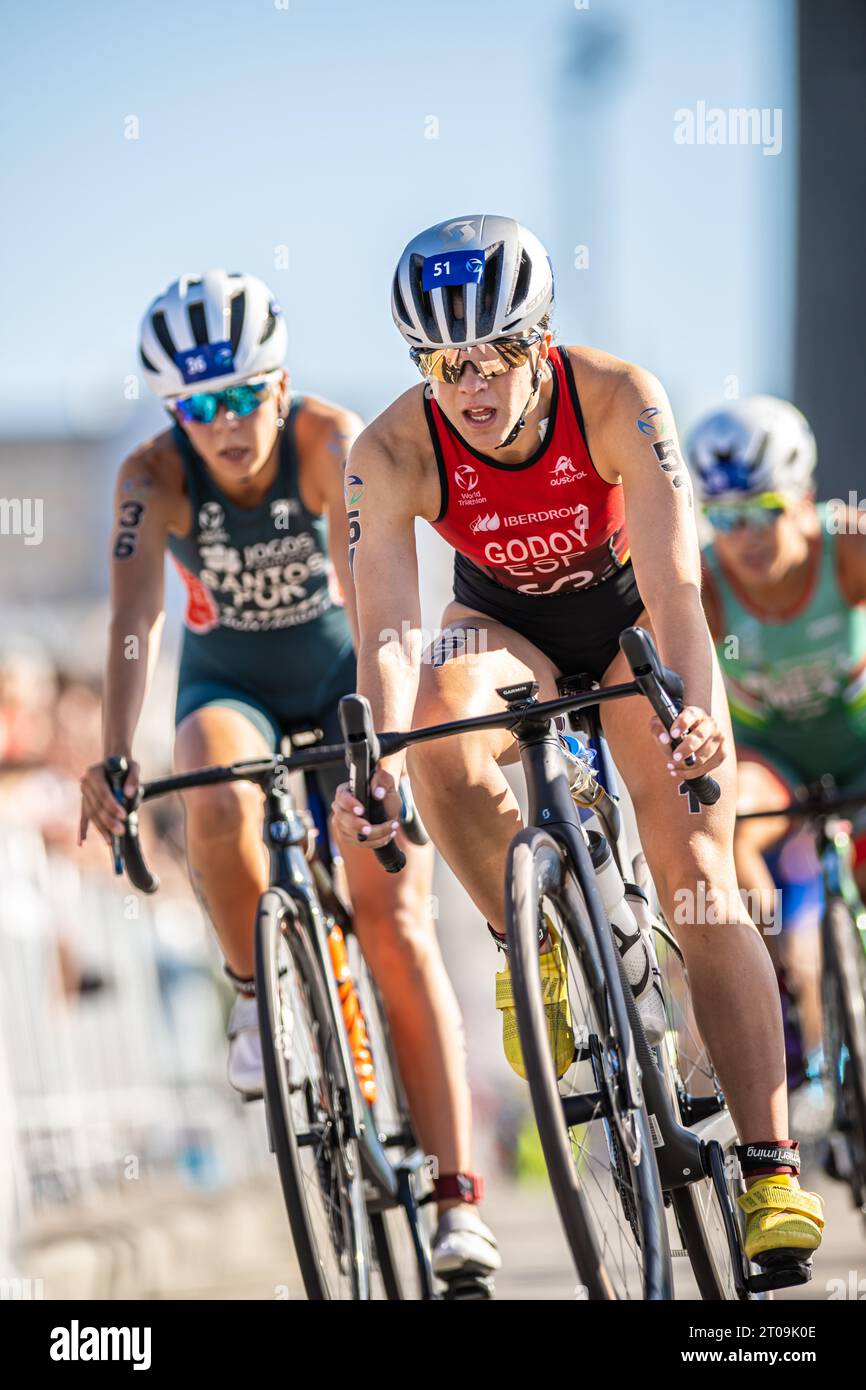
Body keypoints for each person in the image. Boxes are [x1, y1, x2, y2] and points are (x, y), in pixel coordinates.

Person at [332, 215, 825, 1271]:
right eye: (442, 362)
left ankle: (769, 1166)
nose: (470, 384)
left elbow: (677, 587)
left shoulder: (615, 397)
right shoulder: (390, 450)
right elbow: (384, 630)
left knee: (695, 869)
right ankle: (534, 939)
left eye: (495, 353)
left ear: (539, 338)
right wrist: (369, 754)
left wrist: (692, 709)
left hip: (627, 619)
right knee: (433, 721)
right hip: (497, 623)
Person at [78, 270, 499, 1280]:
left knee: (393, 924)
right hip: (232, 686)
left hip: (341, 672)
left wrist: (377, 745)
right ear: (174, 412)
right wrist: (112, 748)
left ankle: (454, 1195)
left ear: (281, 380)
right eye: (197, 406)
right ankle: (251, 989)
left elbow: (370, 604)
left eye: (241, 395)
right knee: (214, 780)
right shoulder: (149, 476)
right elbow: (134, 624)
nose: (224, 424)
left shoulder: (326, 440)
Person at [688, 395, 866, 1068]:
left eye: (762, 510)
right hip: (776, 762)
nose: (745, 537)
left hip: (860, 746)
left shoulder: (848, 543)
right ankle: (778, 994)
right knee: (718, 823)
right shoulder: (704, 583)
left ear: (805, 495)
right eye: (723, 519)